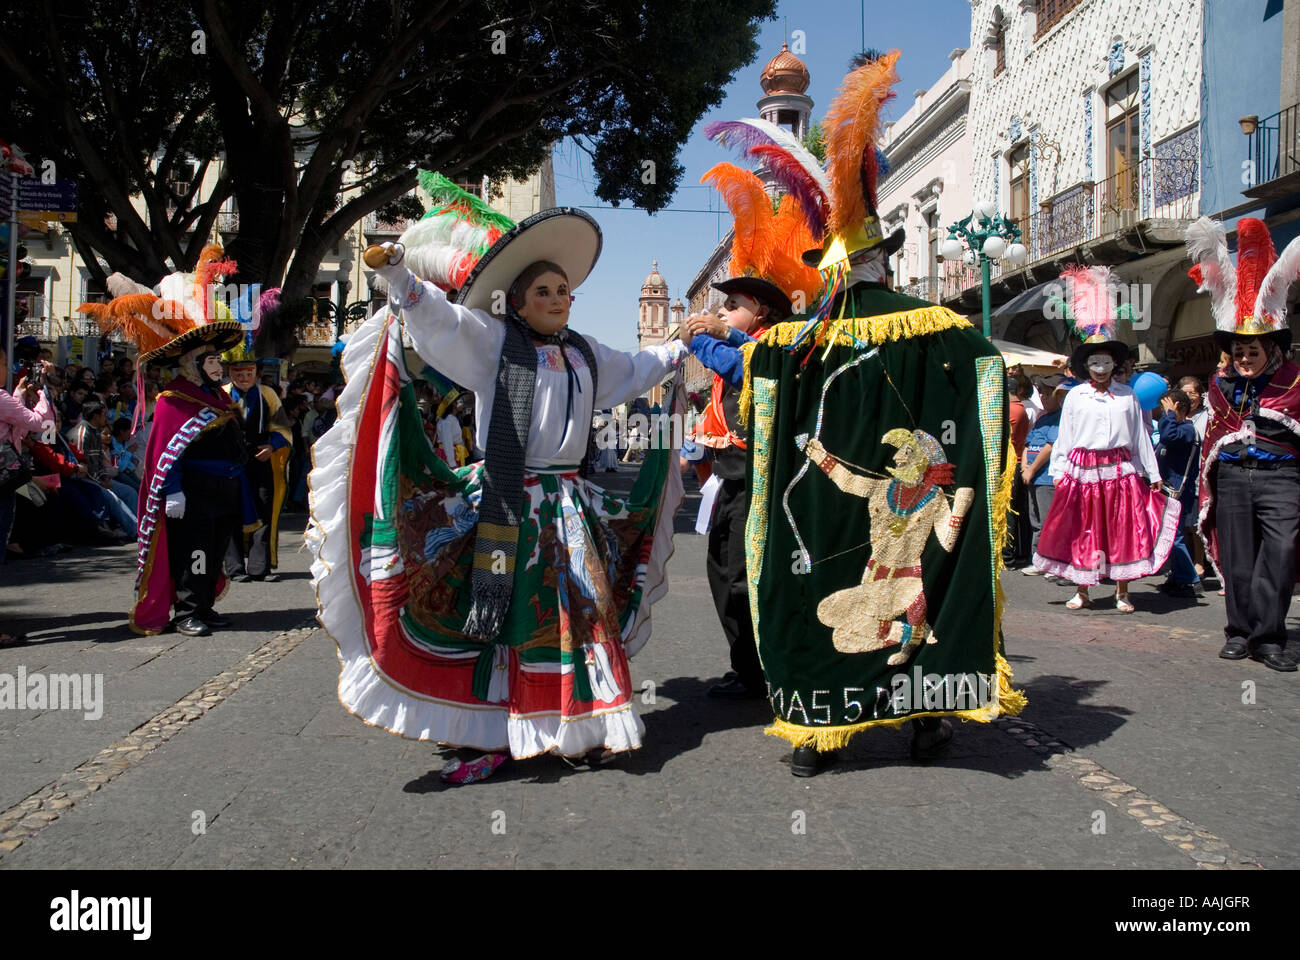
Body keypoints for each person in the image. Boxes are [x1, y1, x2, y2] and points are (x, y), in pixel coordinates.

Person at [310, 181, 689, 785]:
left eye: (564, 290)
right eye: (544, 291)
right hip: (505, 503)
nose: (558, 299)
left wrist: (678, 351)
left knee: (574, 616)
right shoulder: (494, 343)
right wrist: (402, 280)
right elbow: (443, 322)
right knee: (502, 618)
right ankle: (492, 730)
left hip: (565, 507)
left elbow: (637, 367)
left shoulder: (587, 354)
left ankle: (572, 724)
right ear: (516, 301)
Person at [728, 50, 1024, 777]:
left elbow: (754, 410)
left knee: (816, 603)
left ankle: (818, 731)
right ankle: (926, 726)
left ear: (827, 272)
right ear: (883, 262)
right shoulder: (944, 331)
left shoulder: (783, 347)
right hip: (883, 549)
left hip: (851, 538)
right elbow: (988, 376)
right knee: (880, 613)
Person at [679, 156, 821, 700]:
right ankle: (746, 666)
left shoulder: (776, 347)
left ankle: (762, 671)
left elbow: (741, 363)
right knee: (722, 573)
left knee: (744, 577)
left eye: (732, 304)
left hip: (766, 482)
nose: (722, 309)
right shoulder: (754, 344)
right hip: (732, 480)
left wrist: (704, 337)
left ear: (758, 312)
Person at [1032, 265, 1179, 612]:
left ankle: (1122, 592)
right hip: (1082, 471)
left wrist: (1153, 475)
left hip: (1120, 469)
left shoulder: (1128, 396)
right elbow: (1065, 436)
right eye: (1094, 361)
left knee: (1122, 529)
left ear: (1115, 364)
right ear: (1087, 365)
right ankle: (1082, 590)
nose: (1100, 367)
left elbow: (1140, 437)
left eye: (1106, 361)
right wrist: (1059, 471)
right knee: (1085, 529)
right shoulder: (1076, 397)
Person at [1189, 216, 1300, 671]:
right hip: (1233, 478)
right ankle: (1238, 632)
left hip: (1281, 479)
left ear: (1271, 351)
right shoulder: (1219, 387)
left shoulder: (1295, 383)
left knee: (1279, 553)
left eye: (1253, 350)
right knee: (1237, 559)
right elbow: (1213, 436)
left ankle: (1270, 637)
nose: (1245, 357)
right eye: (1239, 351)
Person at [222, 346, 290, 583]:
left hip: (261, 459)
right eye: (238, 373)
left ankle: (260, 568)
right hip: (230, 463)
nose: (243, 378)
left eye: (248, 373)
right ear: (230, 373)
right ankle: (235, 568)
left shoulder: (267, 394)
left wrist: (272, 446)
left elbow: (282, 427)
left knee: (264, 509)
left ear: (256, 373)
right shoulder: (221, 394)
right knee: (231, 512)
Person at [0, 349, 55, 644]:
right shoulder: (0, 398)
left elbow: (14, 425)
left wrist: (19, 395)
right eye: (5, 365)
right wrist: (43, 391)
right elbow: (38, 423)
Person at [1154, 389, 1202, 598]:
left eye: (1169, 409)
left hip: (1179, 493)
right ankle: (1177, 577)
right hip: (1166, 490)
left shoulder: (1188, 430)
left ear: (1179, 409)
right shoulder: (1175, 426)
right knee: (1168, 536)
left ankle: (1190, 580)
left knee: (1176, 537)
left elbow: (1168, 435)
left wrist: (1170, 416)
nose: (1164, 414)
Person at [1022, 377, 1070, 575]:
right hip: (1033, 476)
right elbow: (1028, 444)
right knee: (1036, 522)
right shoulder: (1042, 417)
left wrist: (1032, 469)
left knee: (1048, 521)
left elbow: (1050, 447)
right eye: (1041, 392)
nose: (1043, 396)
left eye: (1047, 393)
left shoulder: (1060, 418)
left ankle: (1051, 561)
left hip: (1046, 477)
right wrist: (1025, 465)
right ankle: (1038, 558)